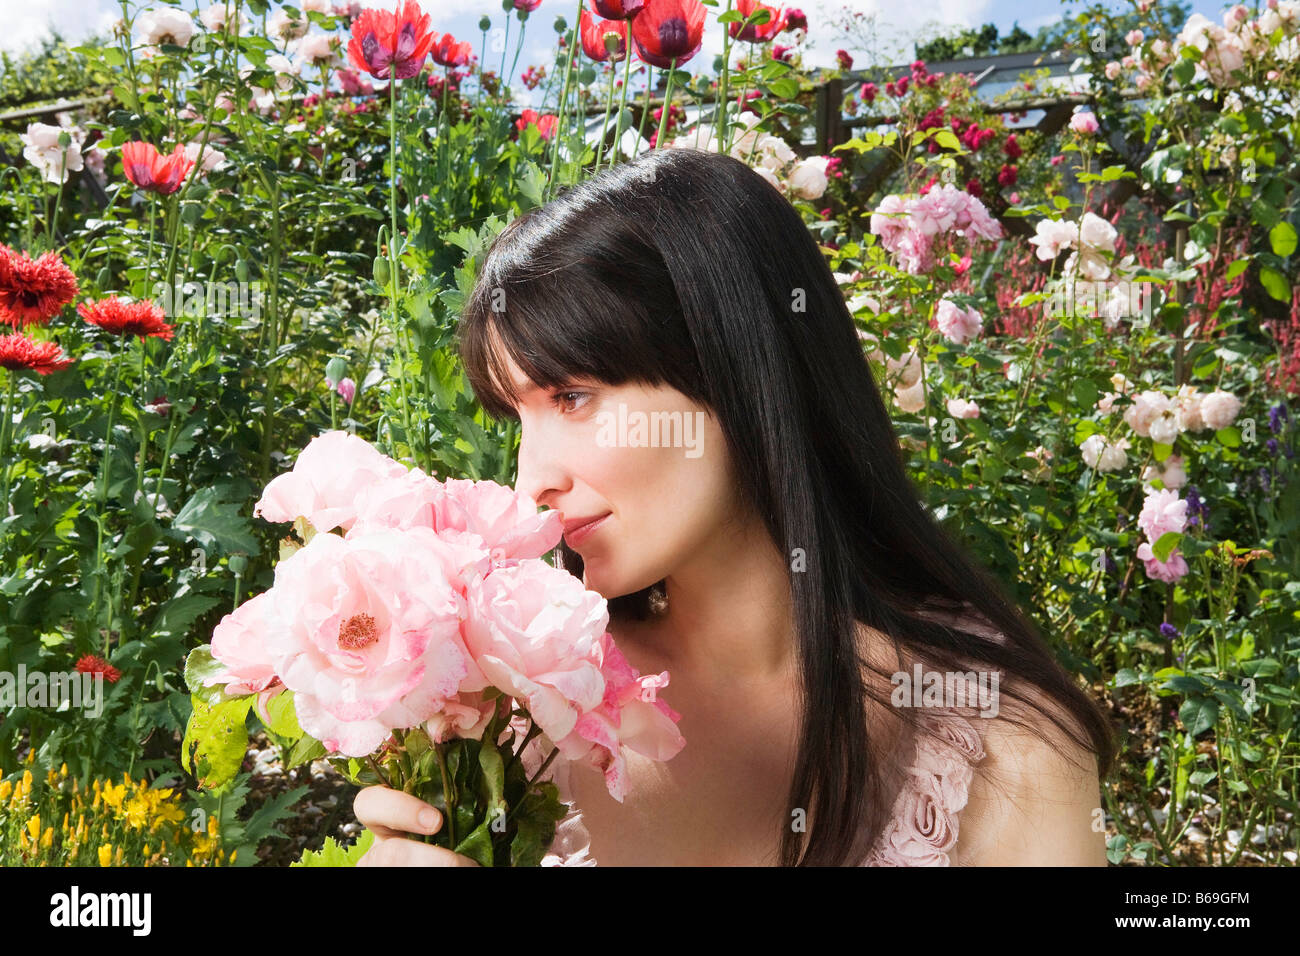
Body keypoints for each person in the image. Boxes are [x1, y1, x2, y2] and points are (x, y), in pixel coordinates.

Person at [354, 146, 1116, 866]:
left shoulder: (999, 742)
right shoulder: (505, 711)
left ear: (735, 368)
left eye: (574, 397)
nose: (531, 483)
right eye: (516, 420)